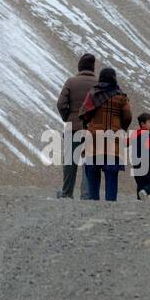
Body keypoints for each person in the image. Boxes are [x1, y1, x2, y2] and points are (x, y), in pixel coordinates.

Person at [78, 67, 132, 201]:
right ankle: (110, 202)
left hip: (95, 138)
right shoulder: (121, 96)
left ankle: (94, 200)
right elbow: (128, 116)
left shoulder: (93, 93)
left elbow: (85, 113)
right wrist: (121, 128)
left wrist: (89, 122)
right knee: (111, 172)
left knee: (93, 170)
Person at [55, 53, 98, 198]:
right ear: (93, 67)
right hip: (92, 130)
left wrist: (68, 118)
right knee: (89, 161)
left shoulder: (71, 82)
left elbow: (60, 104)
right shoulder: (98, 84)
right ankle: (86, 195)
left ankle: (67, 193)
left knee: (69, 162)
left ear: (80, 66)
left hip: (72, 128)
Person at [131, 112, 150, 199]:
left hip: (135, 163)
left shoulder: (135, 134)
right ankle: (145, 192)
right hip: (145, 163)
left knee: (140, 184)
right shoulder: (148, 137)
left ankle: (140, 200)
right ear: (142, 124)